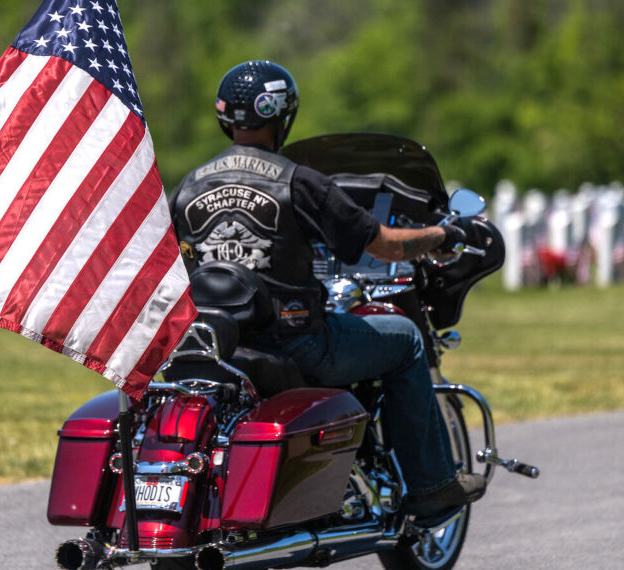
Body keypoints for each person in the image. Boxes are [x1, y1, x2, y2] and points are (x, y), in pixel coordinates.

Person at [169, 60, 485, 520]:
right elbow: (384, 244)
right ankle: (432, 485)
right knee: (406, 340)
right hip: (298, 342)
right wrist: (441, 235)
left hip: (221, 344)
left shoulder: (188, 187)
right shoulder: (296, 181)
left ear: (225, 117)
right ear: (284, 116)